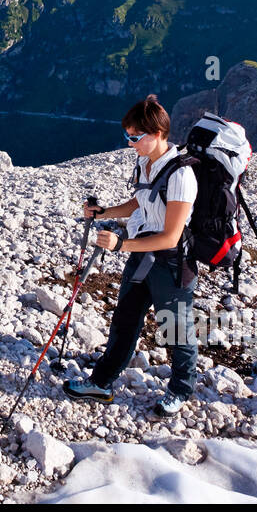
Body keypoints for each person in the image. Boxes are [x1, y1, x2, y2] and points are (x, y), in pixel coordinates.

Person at [62, 94, 199, 416]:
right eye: (127, 136)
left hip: (172, 263)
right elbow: (141, 200)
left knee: (175, 328)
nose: (130, 143)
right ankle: (101, 382)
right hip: (141, 256)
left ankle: (181, 390)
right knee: (124, 322)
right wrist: (104, 212)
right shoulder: (145, 162)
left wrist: (121, 245)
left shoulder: (181, 176)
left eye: (135, 137)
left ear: (157, 134)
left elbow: (170, 236)